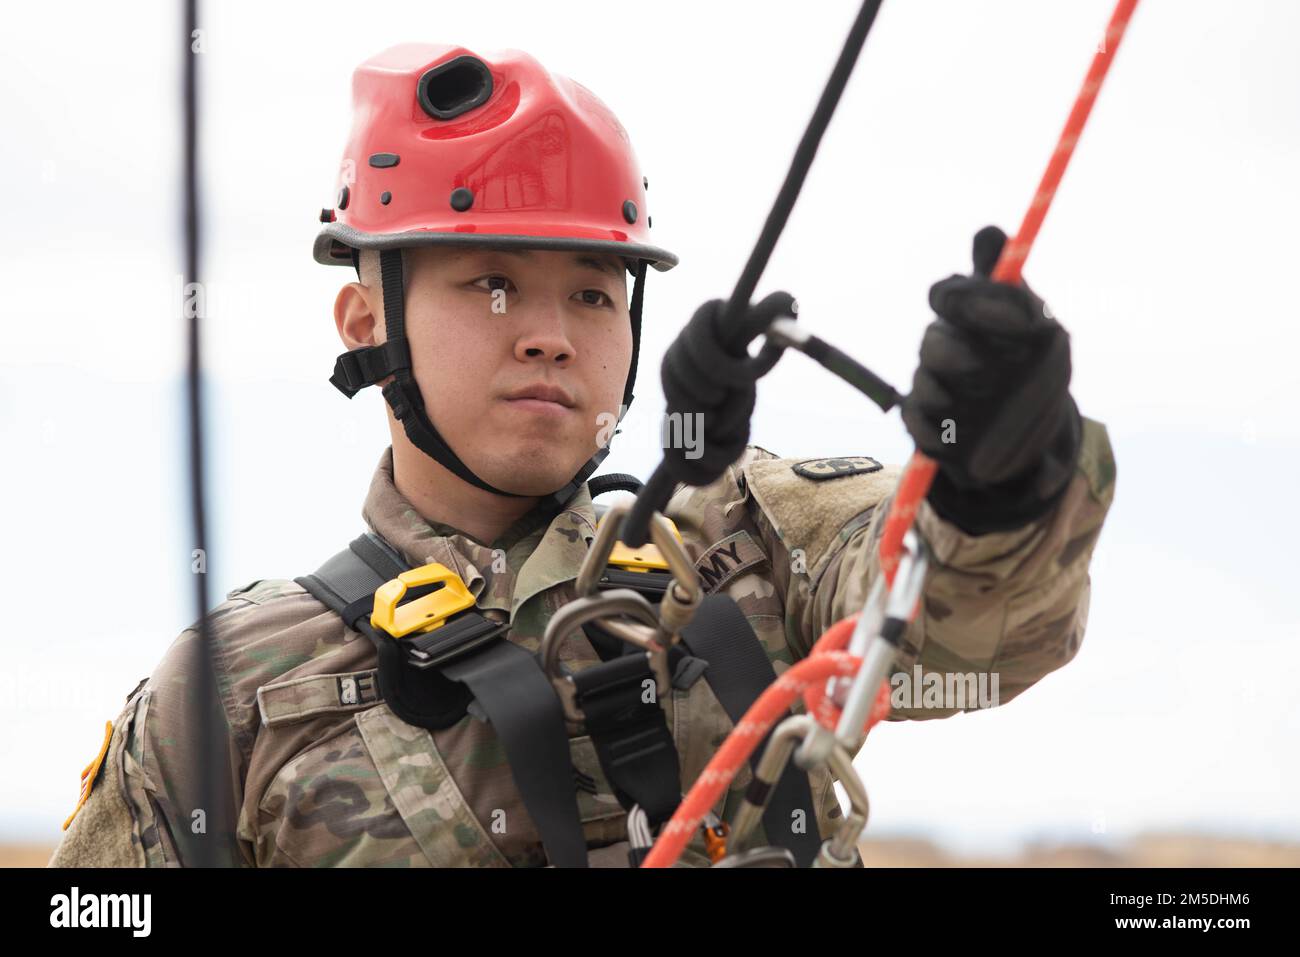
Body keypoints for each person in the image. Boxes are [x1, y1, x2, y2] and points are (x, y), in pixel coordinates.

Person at [49, 42, 1115, 868]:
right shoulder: (230, 695)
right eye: (491, 283)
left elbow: (986, 632)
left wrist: (1002, 475)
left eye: (594, 293)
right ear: (363, 321)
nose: (550, 332)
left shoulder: (752, 544)